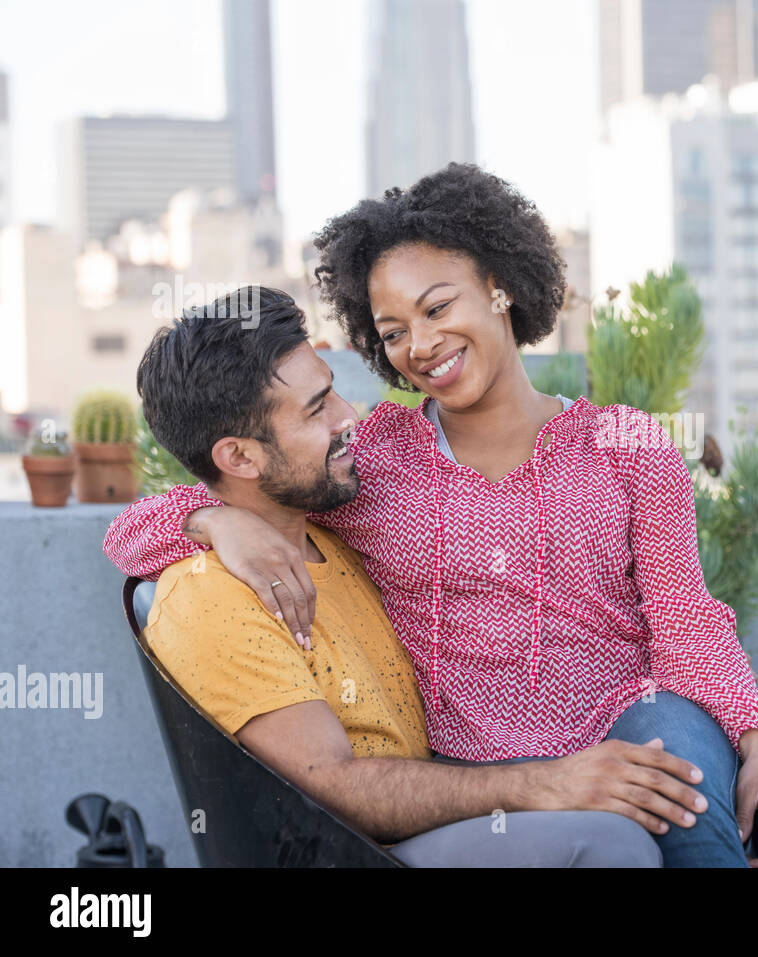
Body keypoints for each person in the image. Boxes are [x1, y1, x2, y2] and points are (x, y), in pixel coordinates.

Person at [104, 164, 758, 868]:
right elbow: (136, 530)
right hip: (481, 772)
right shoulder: (372, 460)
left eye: (438, 307)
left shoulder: (628, 446)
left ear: (502, 288)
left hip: (635, 722)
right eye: (393, 331)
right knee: (690, 812)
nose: (421, 345)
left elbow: (687, 620)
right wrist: (211, 521)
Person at [134, 288, 716, 867]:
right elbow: (332, 786)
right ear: (238, 458)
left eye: (332, 389)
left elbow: (688, 618)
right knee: (613, 841)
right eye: (317, 408)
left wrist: (208, 515)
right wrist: (539, 784)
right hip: (364, 850)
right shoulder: (211, 597)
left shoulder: (335, 529)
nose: (348, 416)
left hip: (453, 807)